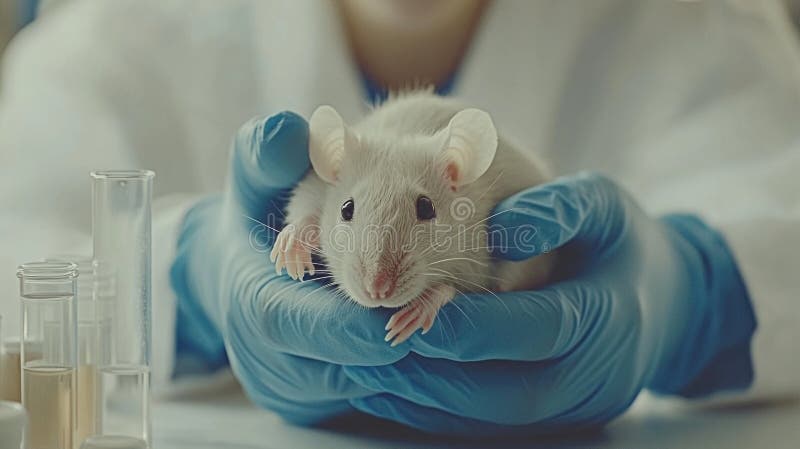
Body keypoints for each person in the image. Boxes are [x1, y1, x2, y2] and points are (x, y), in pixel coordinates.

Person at [1, 0, 799, 436]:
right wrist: (189, 270)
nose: (377, 277)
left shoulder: (706, 27)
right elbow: (21, 253)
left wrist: (693, 291)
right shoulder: (104, 38)